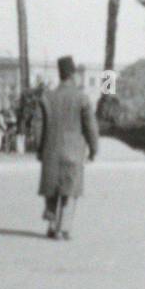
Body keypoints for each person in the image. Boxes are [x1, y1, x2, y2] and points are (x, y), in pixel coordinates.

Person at [33, 56, 99, 240]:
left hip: (50, 151)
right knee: (70, 192)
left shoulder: (46, 98)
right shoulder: (82, 98)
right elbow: (91, 128)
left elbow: (37, 127)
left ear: (60, 74)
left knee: (52, 189)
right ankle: (64, 228)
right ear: (74, 74)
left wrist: (39, 149)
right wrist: (94, 150)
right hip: (74, 152)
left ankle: (52, 225)